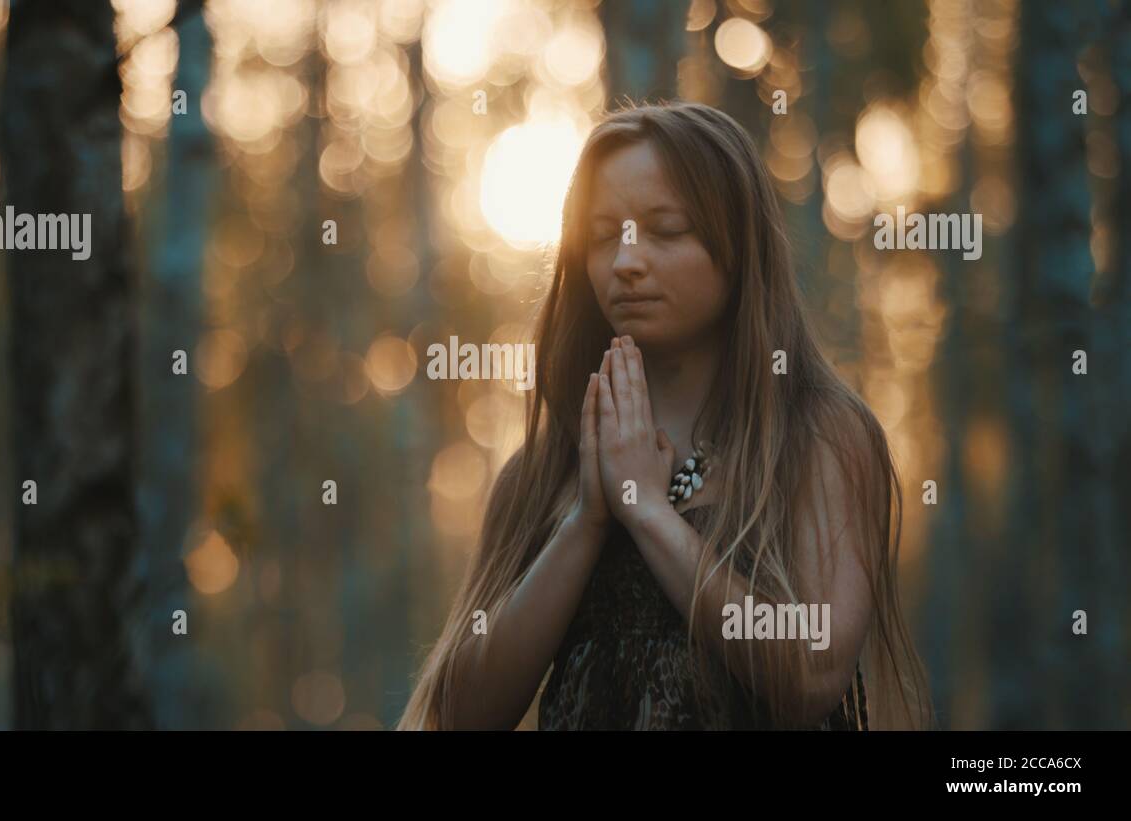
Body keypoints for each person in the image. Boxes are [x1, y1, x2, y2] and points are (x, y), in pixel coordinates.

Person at [398, 102, 933, 730]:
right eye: (603, 237)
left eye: (666, 228)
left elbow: (810, 677)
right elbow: (462, 714)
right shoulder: (541, 471)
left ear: (739, 245)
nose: (625, 261)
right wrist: (586, 520)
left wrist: (650, 514)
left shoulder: (818, 439)